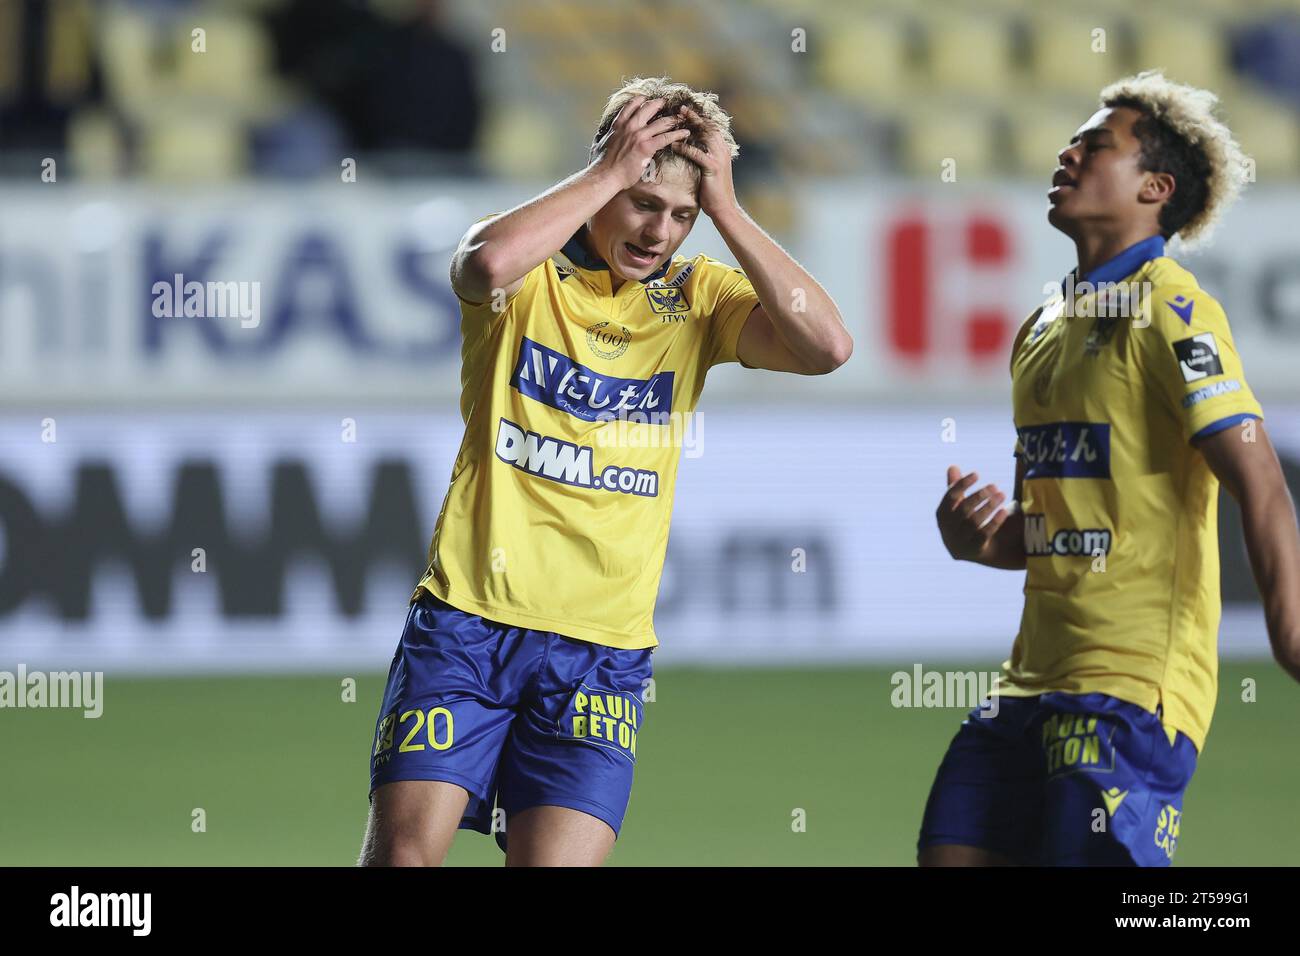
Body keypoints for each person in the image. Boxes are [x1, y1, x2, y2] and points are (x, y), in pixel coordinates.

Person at [359, 76, 853, 866]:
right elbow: (481, 268)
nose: (661, 232)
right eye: (643, 203)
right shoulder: (528, 270)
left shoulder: (698, 296)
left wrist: (726, 208)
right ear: (608, 178)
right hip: (467, 623)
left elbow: (827, 348)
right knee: (405, 857)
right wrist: (610, 172)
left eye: (681, 217)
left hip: (602, 652)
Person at [922, 70, 1300, 866]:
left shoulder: (1173, 306)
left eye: (1096, 146)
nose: (1068, 154)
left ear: (1155, 187)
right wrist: (978, 543)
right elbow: (1047, 528)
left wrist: (1289, 628)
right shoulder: (1042, 326)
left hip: (1130, 688)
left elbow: (1259, 477)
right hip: (1028, 684)